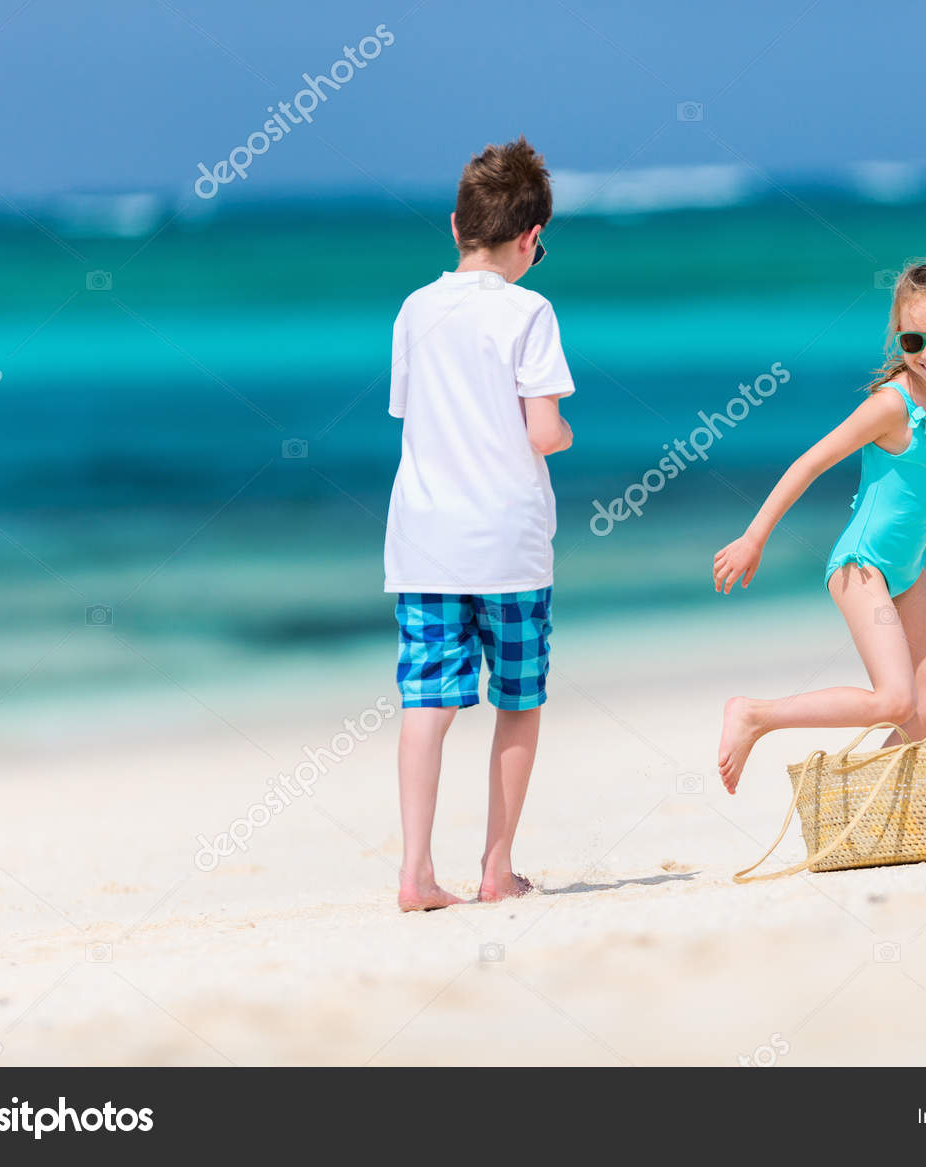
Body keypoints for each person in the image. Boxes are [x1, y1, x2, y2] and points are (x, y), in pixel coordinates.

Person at [712, 259, 926, 790]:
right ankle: (755, 714)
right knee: (896, 700)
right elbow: (809, 463)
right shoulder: (891, 406)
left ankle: (863, 792)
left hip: (908, 571)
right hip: (862, 568)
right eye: (913, 341)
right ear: (899, 338)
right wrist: (753, 537)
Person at [384, 137, 574, 910]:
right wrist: (564, 433)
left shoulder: (414, 309)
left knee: (425, 702)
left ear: (457, 223)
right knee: (518, 699)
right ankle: (497, 870)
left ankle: (416, 872)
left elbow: (414, 412)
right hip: (509, 544)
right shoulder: (530, 311)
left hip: (424, 542)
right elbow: (542, 431)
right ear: (530, 237)